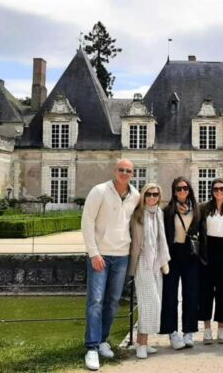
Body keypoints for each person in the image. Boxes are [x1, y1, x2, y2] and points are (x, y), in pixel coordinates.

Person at [81, 158, 140, 371]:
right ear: (115, 171)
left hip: (122, 255)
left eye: (129, 171)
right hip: (101, 256)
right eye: (121, 170)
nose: (125, 173)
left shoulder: (135, 196)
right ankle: (91, 348)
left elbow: (141, 223)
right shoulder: (99, 191)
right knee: (95, 301)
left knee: (113, 301)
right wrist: (93, 253)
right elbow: (87, 222)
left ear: (133, 174)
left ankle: (103, 340)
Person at [129, 183, 171, 359]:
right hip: (143, 262)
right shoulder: (137, 214)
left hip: (156, 264)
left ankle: (143, 341)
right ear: (143, 195)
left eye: (155, 194)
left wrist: (163, 261)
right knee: (149, 303)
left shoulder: (159, 214)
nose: (152, 197)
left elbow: (161, 240)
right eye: (149, 194)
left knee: (155, 303)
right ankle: (142, 344)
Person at [160, 177, 202, 350]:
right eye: (179, 189)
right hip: (173, 254)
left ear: (190, 190)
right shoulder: (167, 211)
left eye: (185, 188)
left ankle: (189, 331)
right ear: (174, 191)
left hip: (191, 255)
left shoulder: (197, 210)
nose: (182, 191)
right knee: (170, 294)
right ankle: (172, 332)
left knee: (191, 294)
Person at [198, 178, 223, 343]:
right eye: (216, 189)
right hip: (208, 250)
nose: (219, 192)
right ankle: (207, 329)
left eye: (222, 189)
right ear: (212, 191)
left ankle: (221, 329)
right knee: (206, 291)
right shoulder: (204, 208)